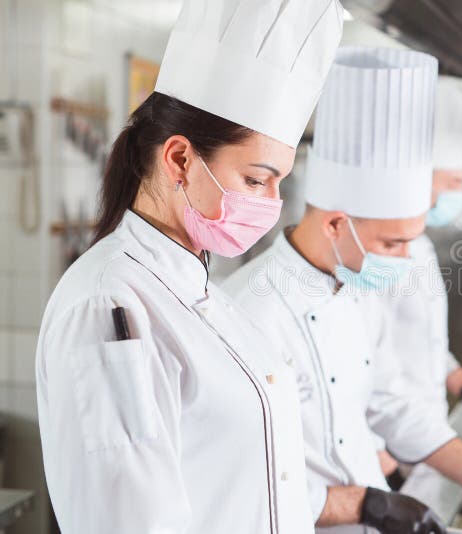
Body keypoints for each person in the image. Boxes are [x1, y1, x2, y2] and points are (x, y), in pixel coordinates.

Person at [35, 1, 342, 533]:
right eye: (255, 180)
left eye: (279, 183)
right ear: (179, 158)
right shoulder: (109, 307)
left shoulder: (201, 293)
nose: (271, 204)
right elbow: (129, 522)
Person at [224, 46, 462, 534]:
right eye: (392, 243)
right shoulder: (245, 313)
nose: (404, 259)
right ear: (336, 224)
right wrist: (364, 505)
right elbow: (234, 480)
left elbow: (391, 401)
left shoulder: (355, 293)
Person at [377, 77, 462, 489]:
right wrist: (383, 465)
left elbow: (425, 339)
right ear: (419, 178)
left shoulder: (422, 246)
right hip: (385, 447)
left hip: (426, 432)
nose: (457, 194)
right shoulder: (375, 254)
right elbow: (357, 369)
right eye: (452, 183)